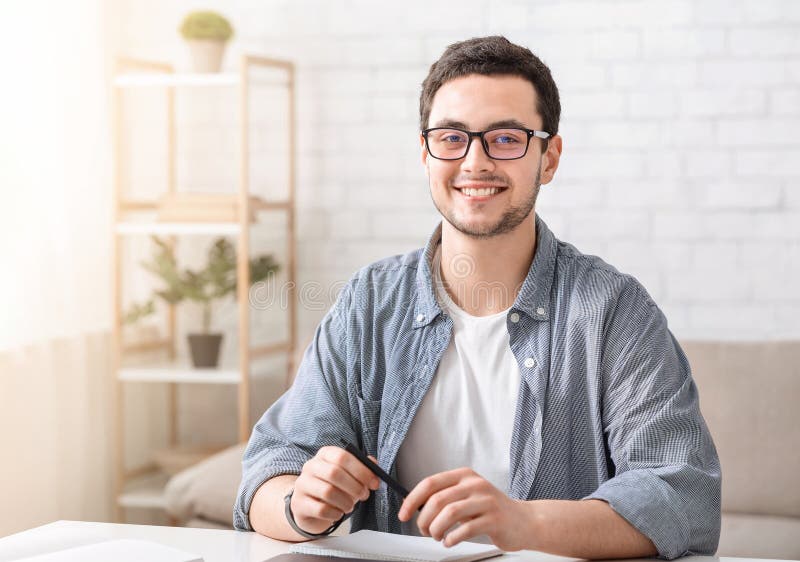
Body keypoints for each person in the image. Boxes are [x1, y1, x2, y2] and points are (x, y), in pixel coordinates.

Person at [234, 36, 721, 560]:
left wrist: (524, 522)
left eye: (506, 139)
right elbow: (268, 468)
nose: (475, 162)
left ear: (549, 157)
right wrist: (297, 506)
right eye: (451, 138)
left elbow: (683, 496)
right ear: (426, 153)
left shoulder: (614, 311)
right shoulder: (370, 302)